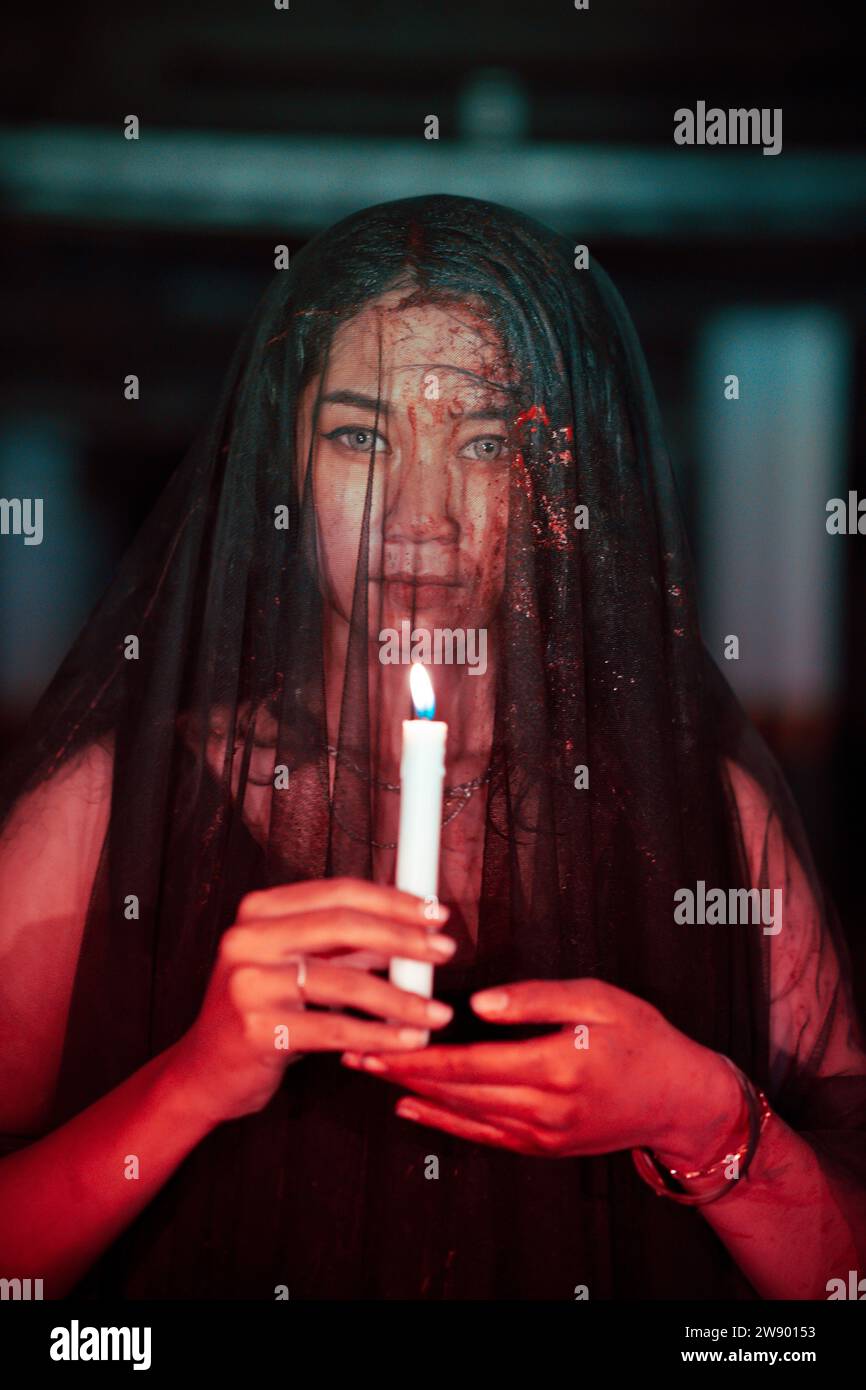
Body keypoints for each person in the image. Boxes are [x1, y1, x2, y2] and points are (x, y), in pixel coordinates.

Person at [1, 194, 864, 1300]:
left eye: (485, 442)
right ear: (282, 461)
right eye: (359, 436)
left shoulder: (704, 821)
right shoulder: (109, 812)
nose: (421, 514)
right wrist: (191, 1083)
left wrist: (701, 1117)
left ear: (558, 479)